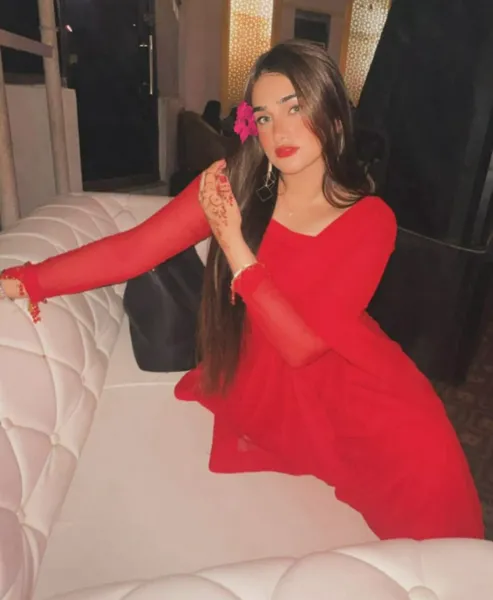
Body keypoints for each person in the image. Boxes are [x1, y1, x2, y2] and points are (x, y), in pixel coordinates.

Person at [0, 40, 484, 540]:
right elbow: (133, 251)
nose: (280, 132)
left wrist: (231, 242)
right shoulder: (233, 186)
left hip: (378, 406)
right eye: (265, 117)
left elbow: (303, 346)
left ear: (335, 118)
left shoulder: (370, 220)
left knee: (449, 544)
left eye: (295, 107)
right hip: (285, 396)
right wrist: (27, 279)